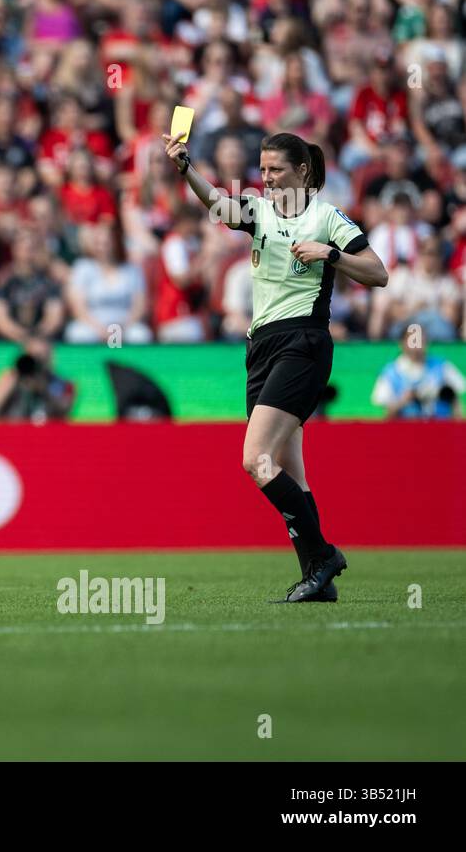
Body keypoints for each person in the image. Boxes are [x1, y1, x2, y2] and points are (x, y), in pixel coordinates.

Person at [163, 128, 388, 603]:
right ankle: (317, 578)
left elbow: (378, 272)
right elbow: (217, 206)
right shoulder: (258, 211)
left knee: (255, 459)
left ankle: (324, 556)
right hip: (261, 347)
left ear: (301, 171)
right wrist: (185, 168)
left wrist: (332, 254)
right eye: (262, 169)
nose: (265, 179)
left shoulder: (327, 217)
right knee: (292, 472)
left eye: (275, 170)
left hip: (302, 343)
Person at [371, 328, 464, 419]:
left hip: (441, 429)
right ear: (401, 343)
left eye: (421, 340)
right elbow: (386, 415)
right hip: (405, 431)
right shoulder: (390, 373)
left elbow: (457, 402)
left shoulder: (442, 367)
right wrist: (403, 401)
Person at [0, 338, 76, 422]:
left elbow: (64, 412)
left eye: (41, 357)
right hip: (14, 433)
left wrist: (43, 388)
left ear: (50, 357)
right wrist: (12, 381)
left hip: (46, 435)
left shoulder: (63, 383)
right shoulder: (11, 377)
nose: (37, 362)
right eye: (33, 356)